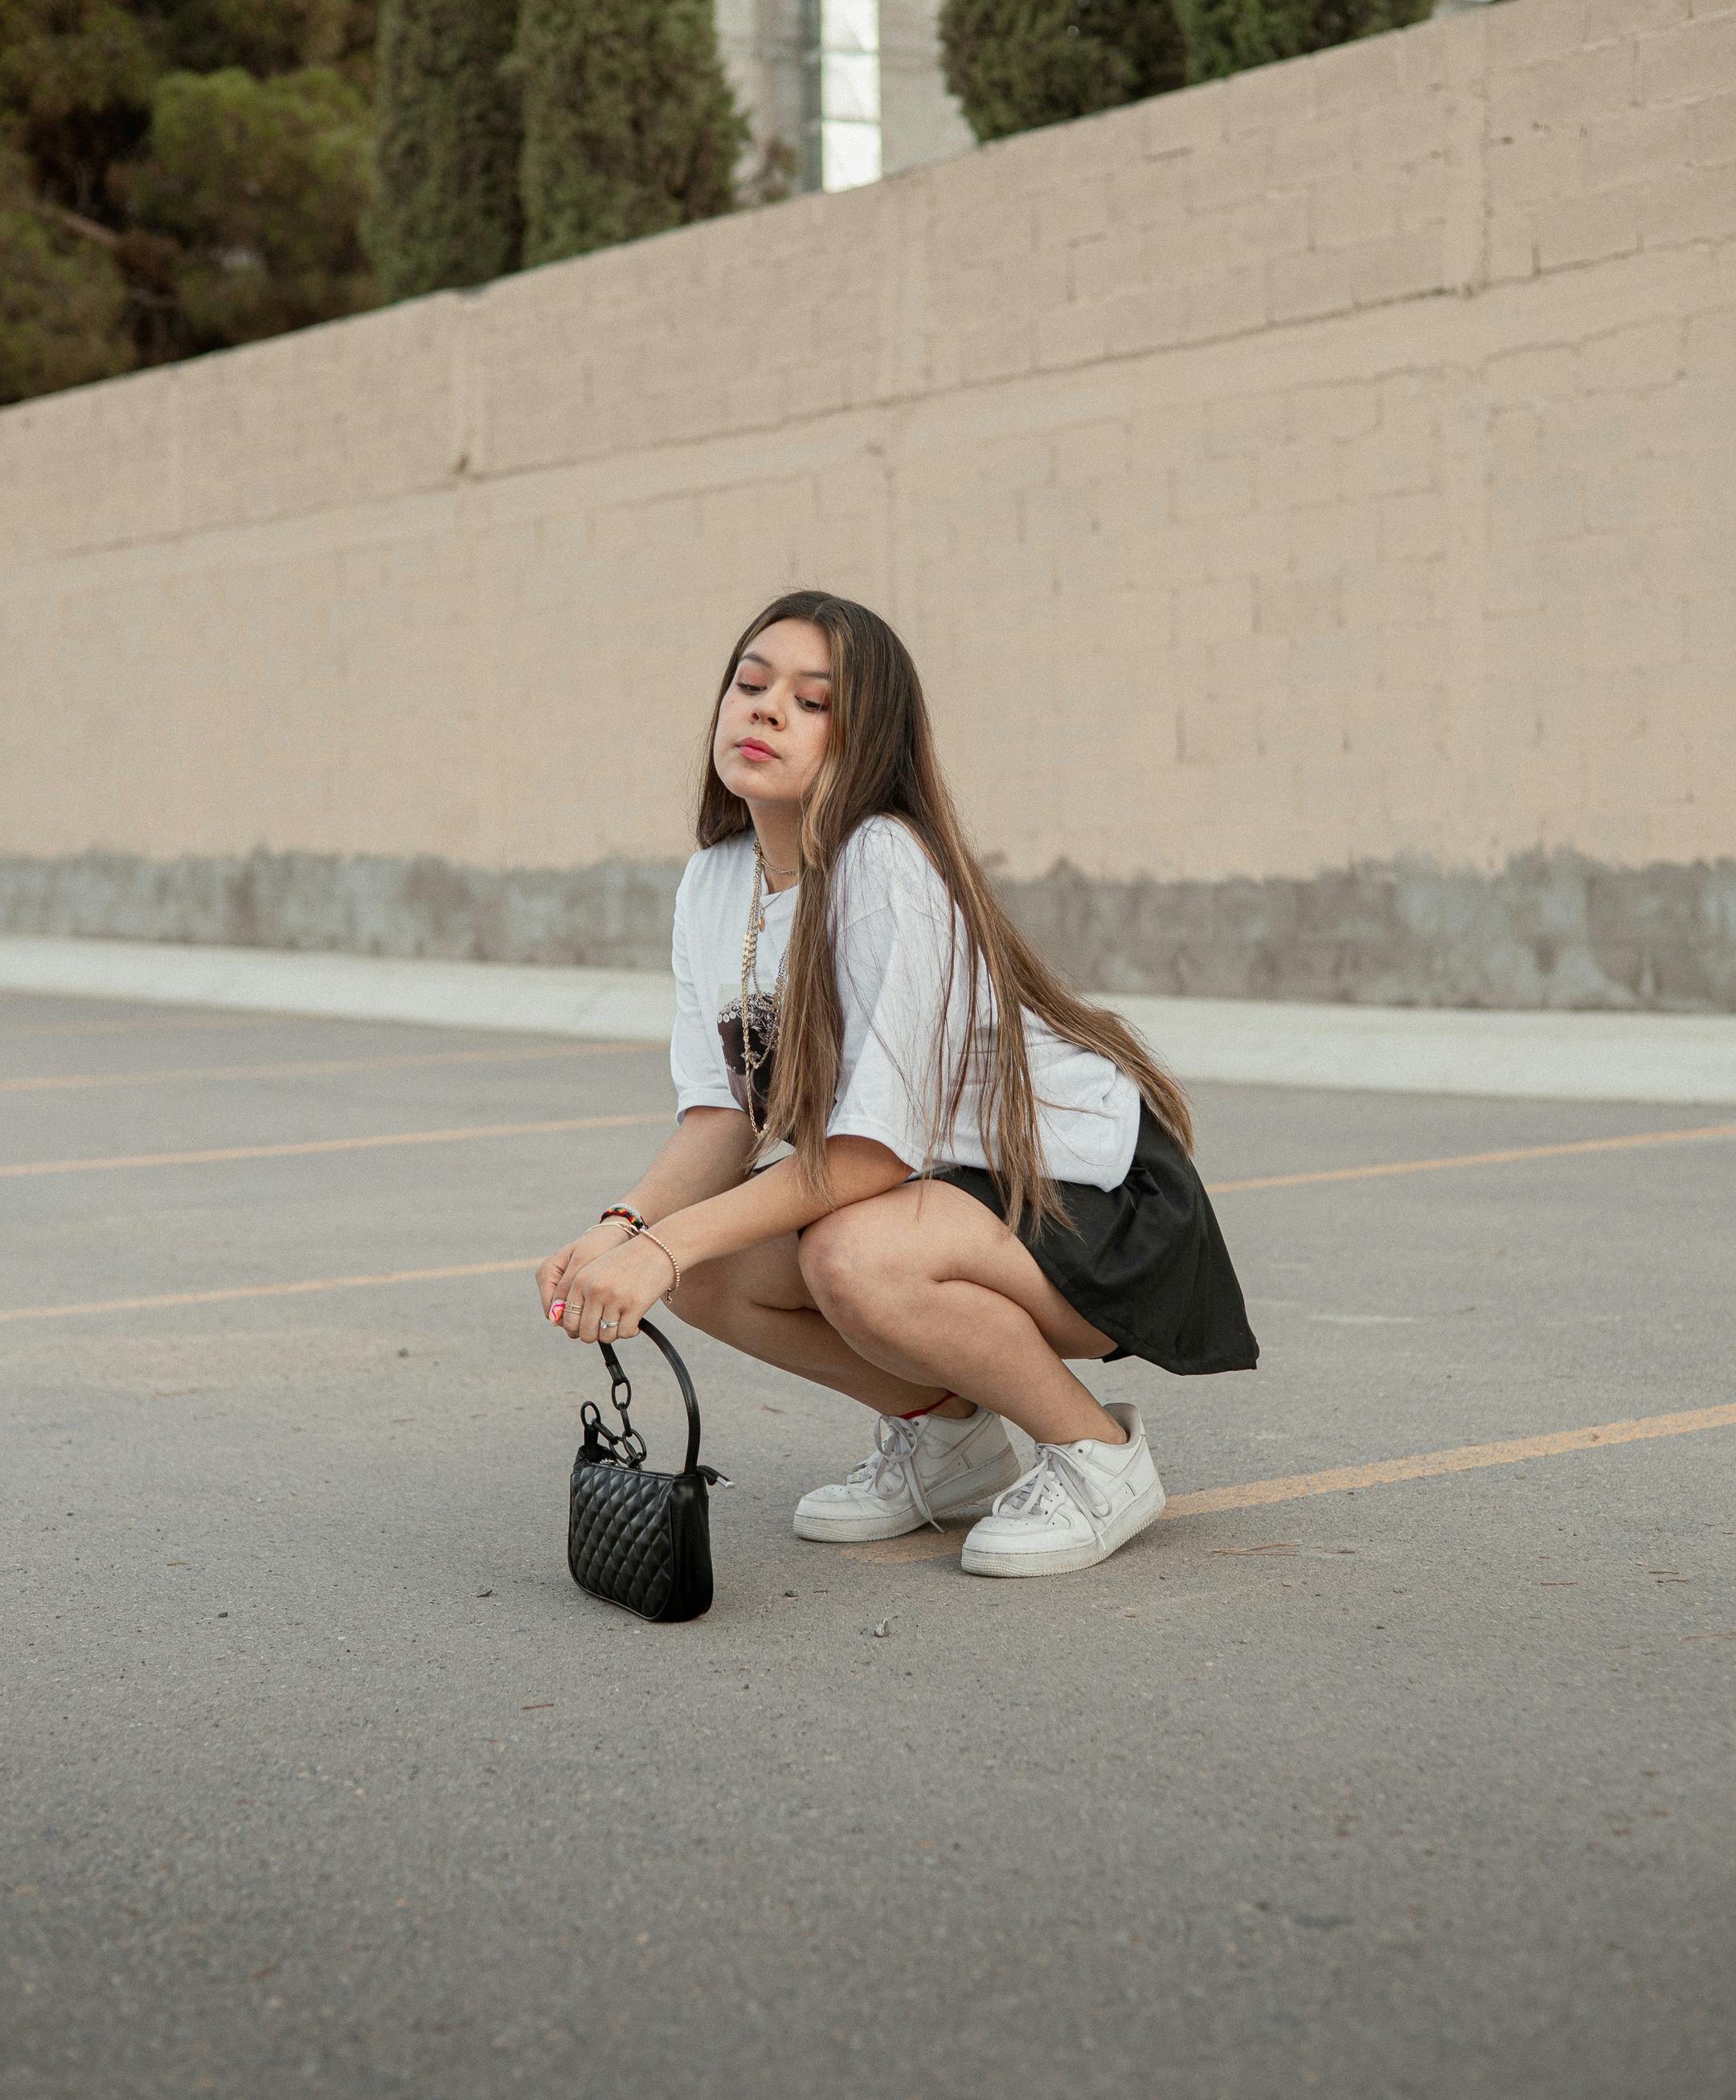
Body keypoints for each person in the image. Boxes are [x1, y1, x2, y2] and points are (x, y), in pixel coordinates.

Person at [534, 589, 1258, 1578]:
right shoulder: (716, 883)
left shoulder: (883, 862)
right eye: (751, 684)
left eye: (813, 701)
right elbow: (722, 1113)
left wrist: (658, 1248)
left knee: (852, 1251)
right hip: (947, 1198)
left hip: (1091, 1205)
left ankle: (1099, 1455)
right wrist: (622, 1230)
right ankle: (952, 1440)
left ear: (866, 738)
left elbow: (872, 1152)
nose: (767, 709)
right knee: (705, 1270)